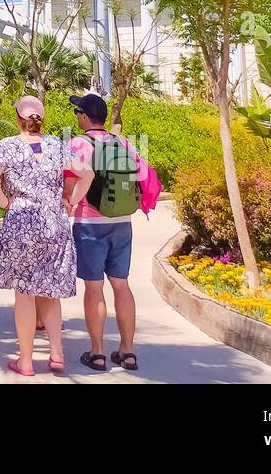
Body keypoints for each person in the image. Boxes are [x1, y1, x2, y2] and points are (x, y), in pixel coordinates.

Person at [0, 96, 92, 375]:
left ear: (18, 118)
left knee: (25, 293)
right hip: (55, 222)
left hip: (22, 220)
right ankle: (56, 354)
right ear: (42, 119)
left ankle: (26, 361)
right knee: (50, 292)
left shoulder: (8, 145)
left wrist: (4, 202)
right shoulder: (56, 144)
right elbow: (86, 174)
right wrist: (72, 201)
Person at [64, 92, 162, 372]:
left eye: (77, 113)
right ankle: (127, 352)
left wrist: (67, 203)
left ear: (84, 116)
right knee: (121, 284)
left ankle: (97, 353)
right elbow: (141, 177)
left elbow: (69, 187)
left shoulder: (78, 145)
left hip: (90, 225)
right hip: (122, 223)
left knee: (94, 288)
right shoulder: (124, 143)